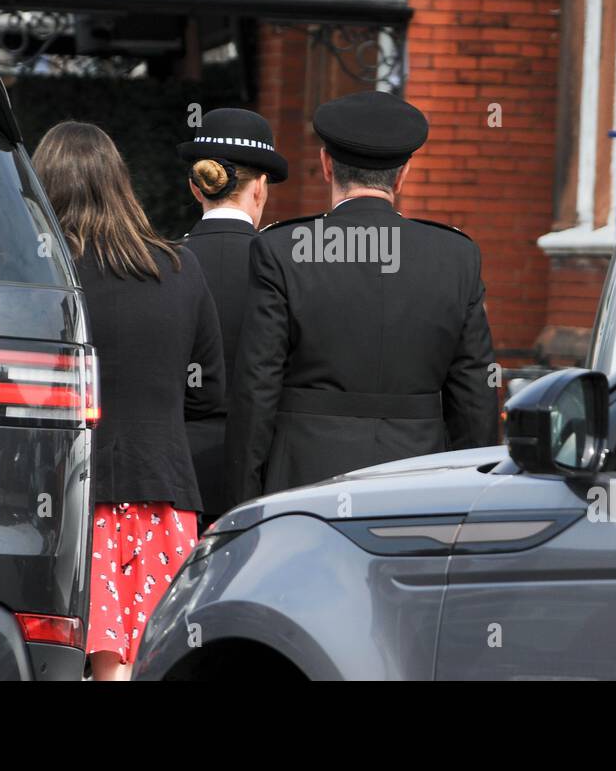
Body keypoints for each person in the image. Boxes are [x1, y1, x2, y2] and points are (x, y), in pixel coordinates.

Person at [226, 90, 499, 503]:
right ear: (403, 173)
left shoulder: (282, 248)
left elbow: (256, 387)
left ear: (326, 164)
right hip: (418, 477)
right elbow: (475, 394)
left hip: (304, 479)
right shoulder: (456, 255)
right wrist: (474, 498)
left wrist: (242, 500)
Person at [33, 121, 223, 681]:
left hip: (65, 490)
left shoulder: (43, 271)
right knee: (144, 656)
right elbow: (208, 388)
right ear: (120, 182)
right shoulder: (180, 268)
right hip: (162, 486)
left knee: (74, 656)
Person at [177, 108, 288, 528]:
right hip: (262, 473)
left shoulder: (164, 262)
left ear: (196, 187)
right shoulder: (287, 267)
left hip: (176, 471)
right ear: (259, 189)